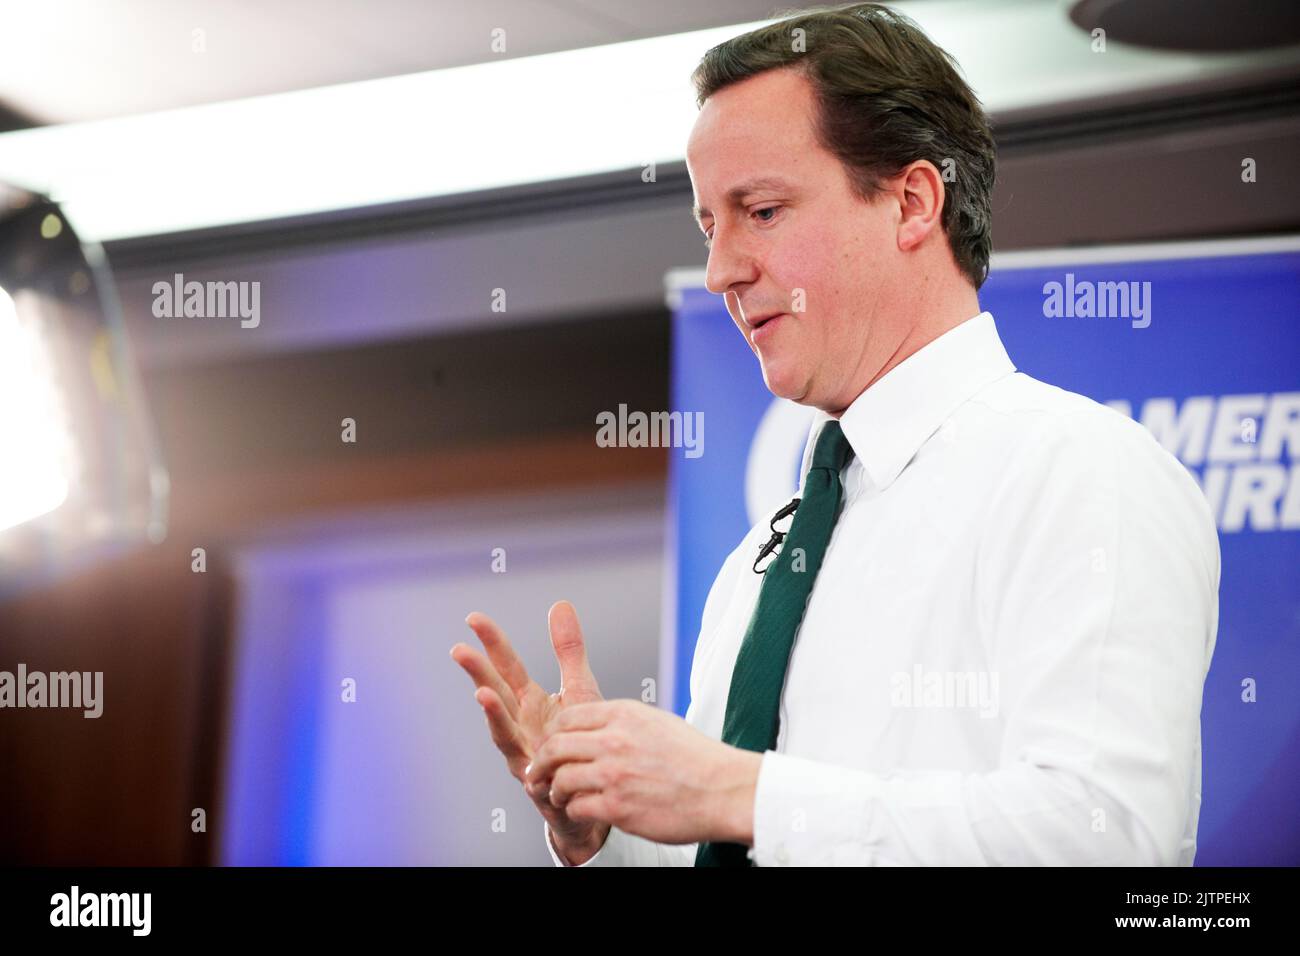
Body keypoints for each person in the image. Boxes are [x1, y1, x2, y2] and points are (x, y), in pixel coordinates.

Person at [451, 2, 1219, 866]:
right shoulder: (757, 567)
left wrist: (736, 791)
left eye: (761, 211)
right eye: (710, 226)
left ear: (912, 203)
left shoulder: (1083, 475)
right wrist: (602, 828)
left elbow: (1108, 835)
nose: (720, 270)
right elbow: (742, 843)